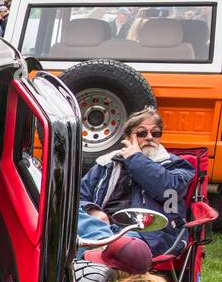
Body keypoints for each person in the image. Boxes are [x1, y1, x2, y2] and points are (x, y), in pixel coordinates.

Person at [80, 107, 193, 257]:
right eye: (142, 133)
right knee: (67, 216)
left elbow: (167, 190)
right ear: (127, 138)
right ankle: (100, 243)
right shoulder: (107, 164)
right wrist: (93, 212)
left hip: (151, 233)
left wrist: (136, 159)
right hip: (102, 228)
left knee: (109, 247)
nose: (149, 137)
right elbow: (78, 197)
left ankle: (100, 249)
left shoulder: (175, 165)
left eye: (155, 133)